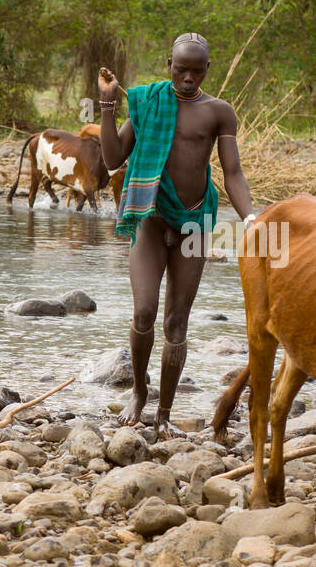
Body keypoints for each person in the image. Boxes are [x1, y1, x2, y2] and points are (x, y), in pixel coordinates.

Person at [98, 31, 256, 436]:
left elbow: (232, 171)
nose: (188, 78)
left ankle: (164, 413)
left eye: (196, 71)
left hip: (192, 225)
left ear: (207, 70)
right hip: (151, 220)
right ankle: (138, 391)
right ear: (169, 65)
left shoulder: (219, 112)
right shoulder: (149, 103)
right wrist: (107, 105)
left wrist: (251, 218)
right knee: (144, 311)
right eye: (181, 69)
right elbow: (115, 158)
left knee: (177, 323)